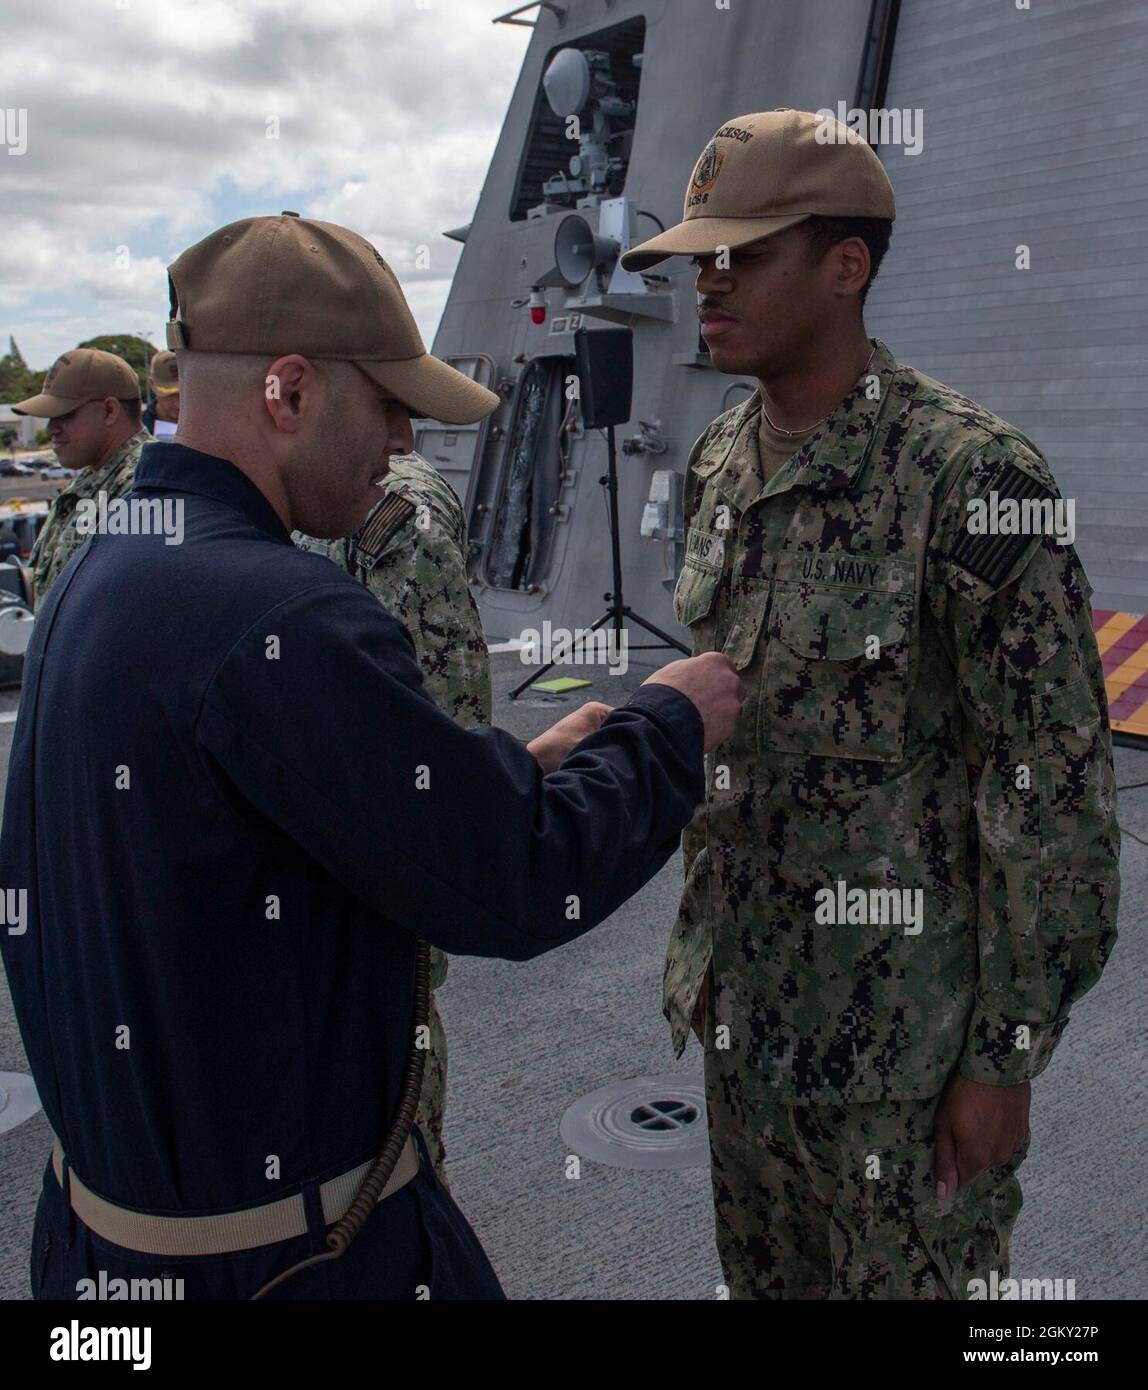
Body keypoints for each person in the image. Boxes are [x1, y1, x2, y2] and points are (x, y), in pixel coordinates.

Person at [0, 212, 743, 1301]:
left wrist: (501, 774)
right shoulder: (285, 607)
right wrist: (666, 726)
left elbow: (233, 844)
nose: (403, 441)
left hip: (98, 1255)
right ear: (288, 391)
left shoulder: (99, 573)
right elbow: (517, 880)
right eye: (388, 403)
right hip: (290, 1266)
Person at [621, 109, 1121, 1300]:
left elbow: (1048, 791)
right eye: (702, 257)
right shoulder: (718, 463)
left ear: (844, 268)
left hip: (901, 1057)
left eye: (741, 253)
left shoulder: (970, 477)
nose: (709, 280)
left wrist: (1001, 1059)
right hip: (743, 1018)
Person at [295, 451, 495, 1184]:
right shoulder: (264, 491)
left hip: (365, 913)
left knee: (384, 1173)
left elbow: (444, 742)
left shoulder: (396, 521)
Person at [11, 347, 151, 606]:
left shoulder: (142, 487)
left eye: (65, 414)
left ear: (110, 411)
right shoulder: (93, 479)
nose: (52, 428)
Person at [142, 349, 180, 437]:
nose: (178, 404)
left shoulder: (208, 424)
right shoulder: (137, 428)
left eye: (185, 395)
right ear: (152, 385)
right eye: (170, 394)